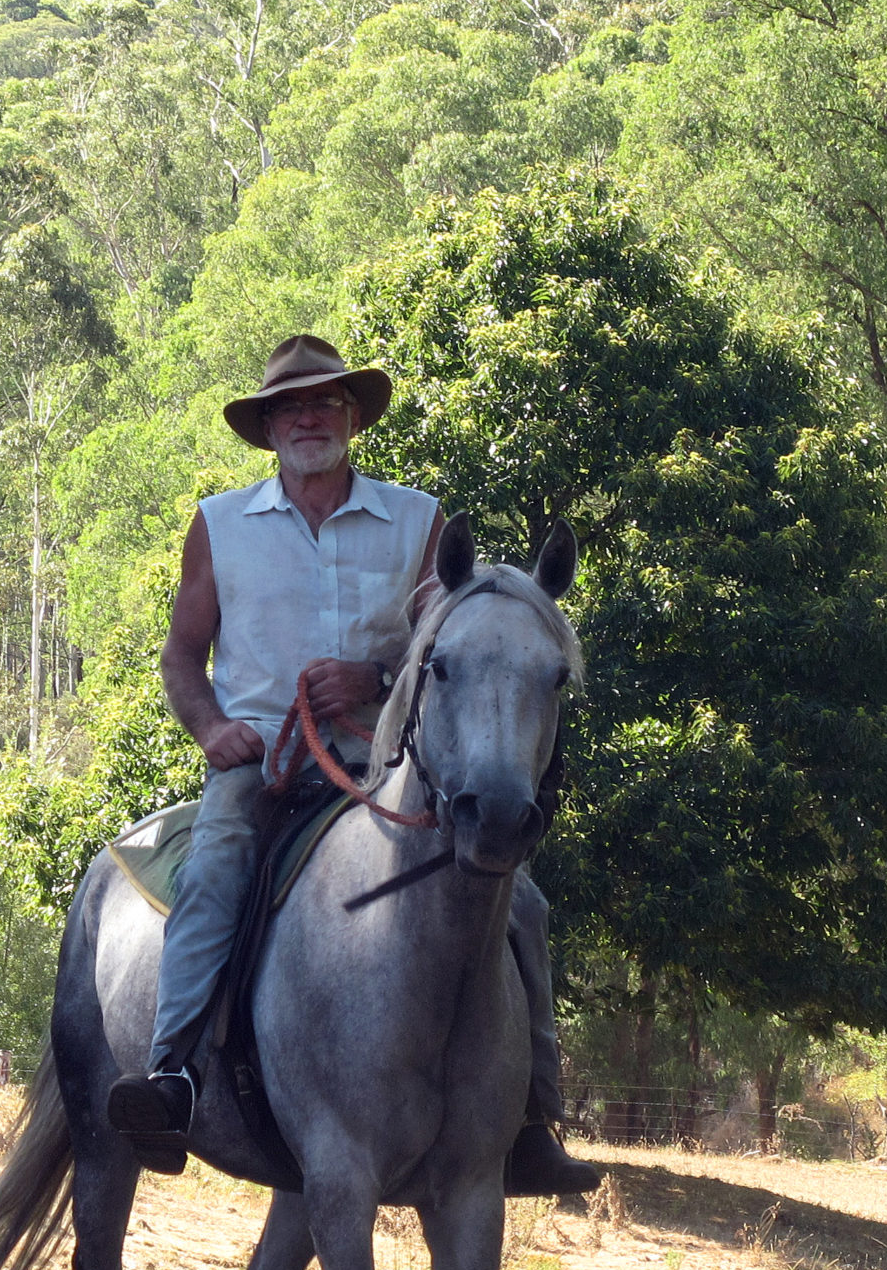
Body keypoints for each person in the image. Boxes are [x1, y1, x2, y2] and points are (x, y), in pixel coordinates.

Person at [101, 333, 600, 1198]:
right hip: (264, 758)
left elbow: (450, 645)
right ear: (267, 427)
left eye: (324, 402)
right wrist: (214, 730)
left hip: (391, 762)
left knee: (522, 901)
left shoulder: (421, 521)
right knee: (217, 870)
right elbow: (182, 658)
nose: (307, 417)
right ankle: (174, 1077)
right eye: (288, 406)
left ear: (351, 416)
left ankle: (530, 1121)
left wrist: (373, 677)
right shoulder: (219, 525)